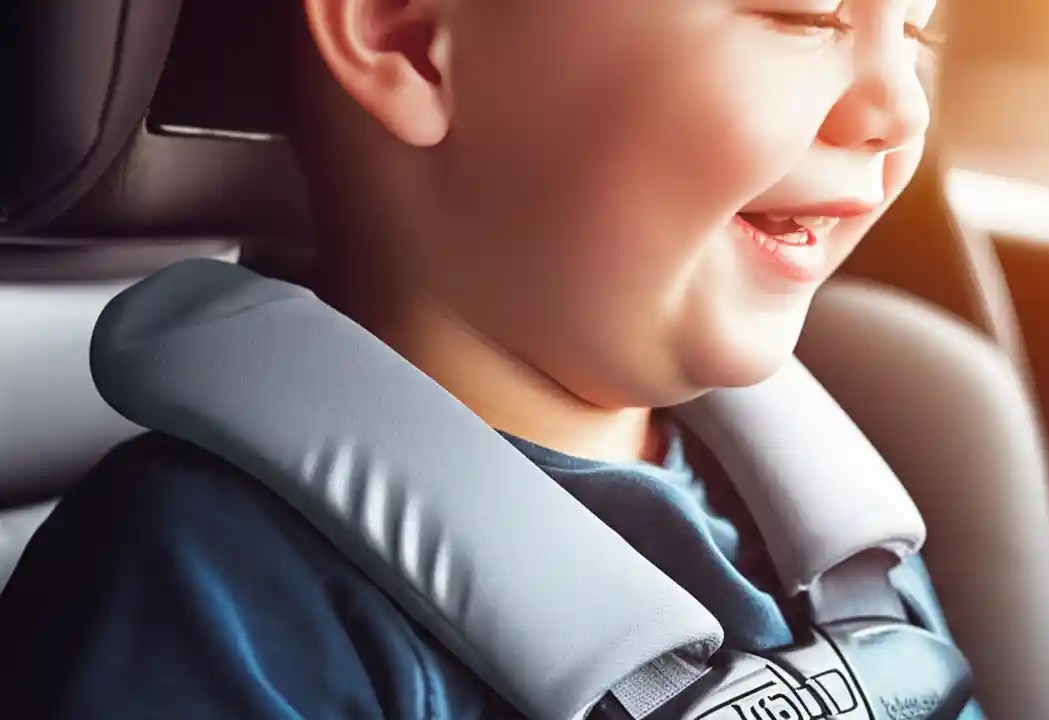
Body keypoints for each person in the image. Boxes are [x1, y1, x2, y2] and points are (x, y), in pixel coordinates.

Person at [0, 0, 983, 717]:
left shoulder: (820, 538)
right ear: (411, 39)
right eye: (799, 15)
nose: (896, 113)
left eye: (916, 32)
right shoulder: (207, 593)